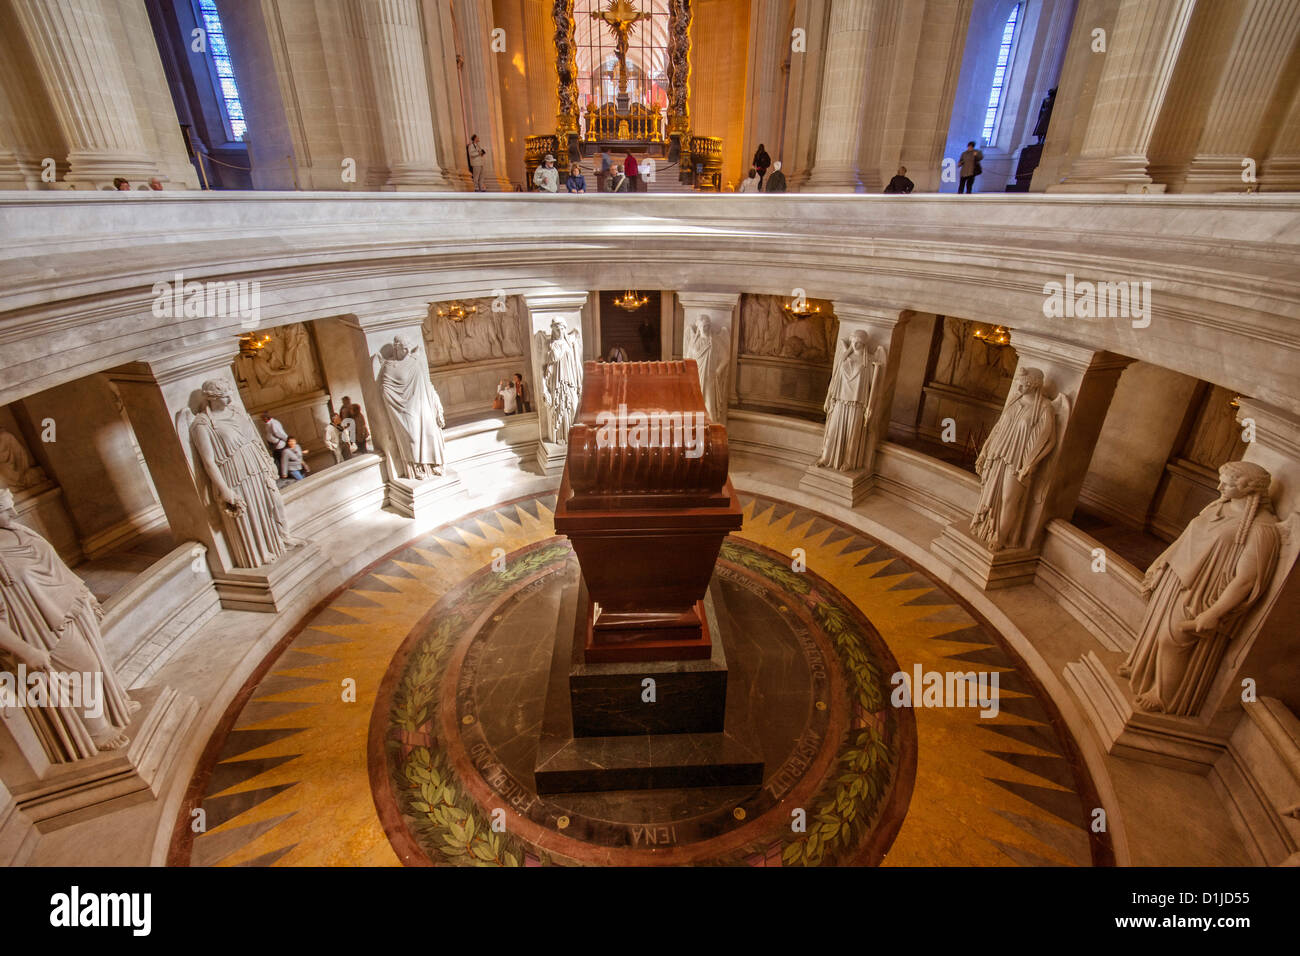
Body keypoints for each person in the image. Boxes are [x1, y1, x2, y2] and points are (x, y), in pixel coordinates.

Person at [1119, 461, 1282, 717]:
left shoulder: (1262, 529)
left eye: (1226, 483)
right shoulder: (1219, 506)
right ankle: (1142, 667)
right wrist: (1161, 563)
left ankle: (1163, 696)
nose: (1219, 487)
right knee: (1155, 626)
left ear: (1246, 487)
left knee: (1172, 639)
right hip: (1179, 577)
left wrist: (1215, 612)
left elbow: (1246, 580)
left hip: (1205, 593)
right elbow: (1188, 536)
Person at [0, 487, 138, 760]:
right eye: (4, 510)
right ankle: (96, 731)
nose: (14, 513)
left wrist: (84, 594)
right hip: (36, 626)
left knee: (94, 660)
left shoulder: (19, 532)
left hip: (66, 611)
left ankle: (111, 707)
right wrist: (24, 650)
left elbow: (57, 568)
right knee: (83, 667)